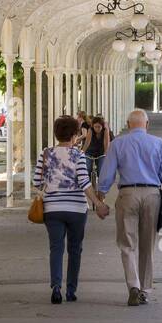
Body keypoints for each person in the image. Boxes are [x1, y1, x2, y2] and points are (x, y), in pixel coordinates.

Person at [96, 108, 162, 306]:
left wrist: (101, 195)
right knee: (148, 244)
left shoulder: (117, 144)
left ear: (128, 124)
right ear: (147, 125)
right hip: (152, 195)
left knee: (127, 243)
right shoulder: (158, 143)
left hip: (127, 194)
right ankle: (145, 290)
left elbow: (107, 174)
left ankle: (133, 285)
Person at [34, 116, 109, 304]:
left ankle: (56, 287)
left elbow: (37, 182)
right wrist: (98, 204)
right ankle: (71, 290)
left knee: (56, 248)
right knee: (75, 249)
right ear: (75, 135)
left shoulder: (45, 153)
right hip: (76, 209)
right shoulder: (79, 156)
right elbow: (85, 182)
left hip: (52, 209)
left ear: (56, 134)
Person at [84, 115, 112, 180]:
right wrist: (82, 152)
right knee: (87, 168)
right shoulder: (90, 130)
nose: (97, 129)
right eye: (95, 127)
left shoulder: (105, 130)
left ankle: (102, 186)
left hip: (101, 152)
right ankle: (87, 185)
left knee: (101, 170)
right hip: (90, 151)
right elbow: (87, 142)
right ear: (93, 126)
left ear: (102, 126)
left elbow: (106, 143)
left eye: (99, 127)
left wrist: (105, 153)